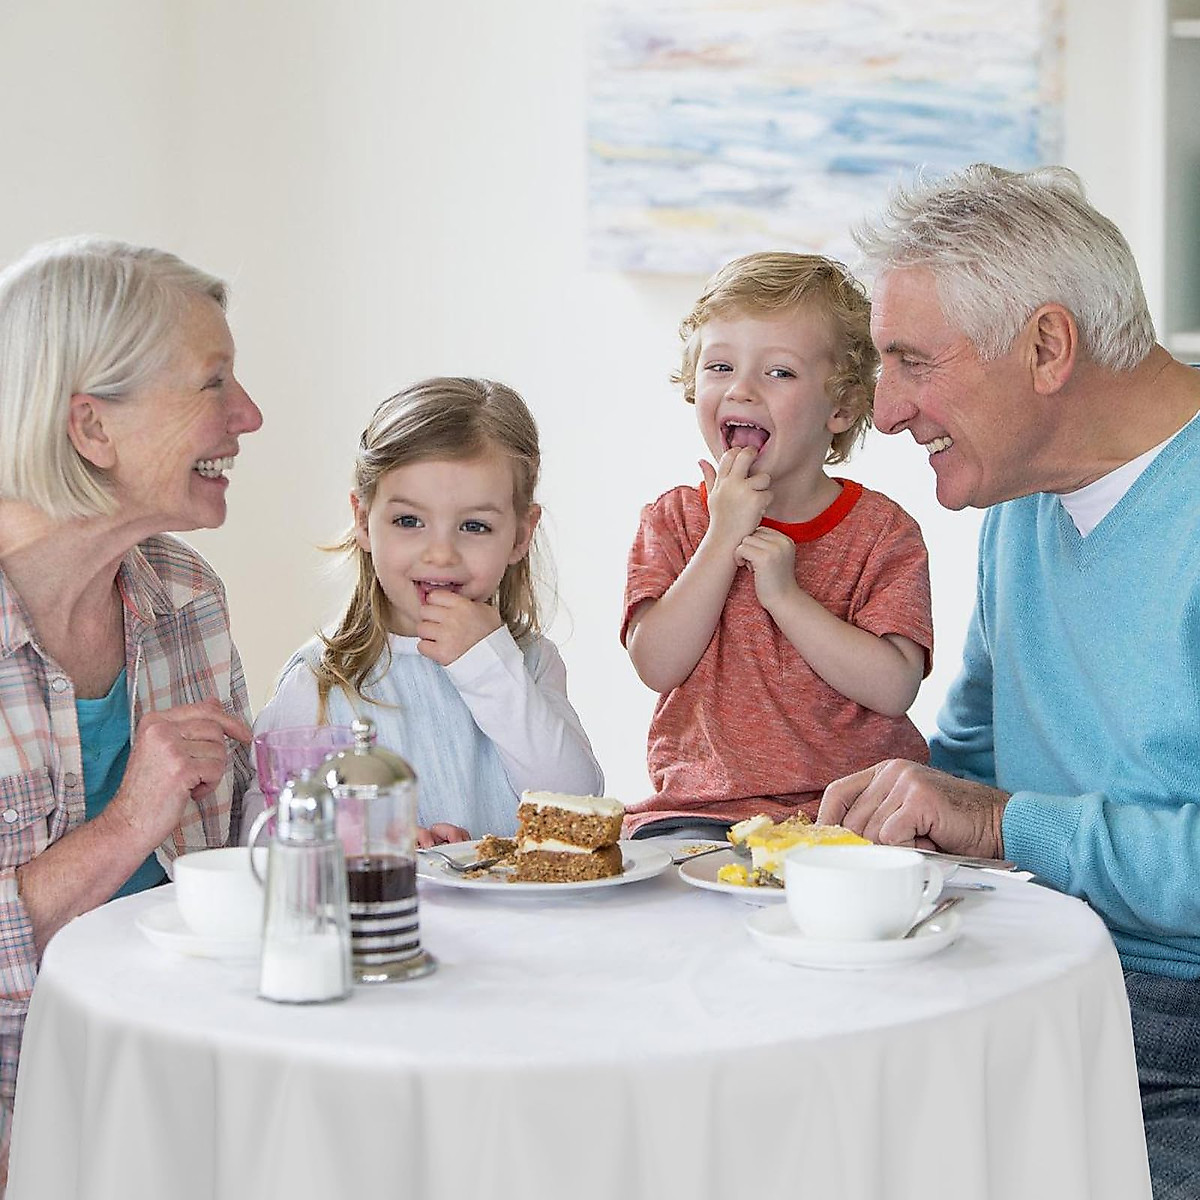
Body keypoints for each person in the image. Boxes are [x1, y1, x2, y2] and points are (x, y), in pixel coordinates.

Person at [817, 164, 1200, 1199]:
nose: (885, 411)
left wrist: (1000, 826)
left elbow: (991, 811)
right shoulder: (1025, 503)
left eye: (909, 363)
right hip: (1036, 977)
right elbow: (970, 764)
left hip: (1177, 1036)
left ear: (1046, 347)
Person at [0, 237, 261, 1177]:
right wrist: (125, 825)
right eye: (212, 383)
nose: (250, 415)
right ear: (92, 428)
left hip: (181, 1094)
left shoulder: (185, 595)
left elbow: (237, 856)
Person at [621, 251, 934, 840]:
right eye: (719, 367)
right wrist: (721, 538)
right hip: (703, 810)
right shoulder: (674, 520)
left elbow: (894, 688)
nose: (741, 389)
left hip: (854, 811)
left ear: (839, 408)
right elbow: (656, 663)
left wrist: (786, 596)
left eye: (779, 372)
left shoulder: (883, 533)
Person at [250, 377, 603, 843]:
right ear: (363, 520)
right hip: (377, 912)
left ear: (520, 535)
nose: (440, 553)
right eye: (409, 521)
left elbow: (579, 804)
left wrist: (488, 665)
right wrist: (368, 841)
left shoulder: (528, 663)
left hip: (515, 915)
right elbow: (262, 837)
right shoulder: (320, 681)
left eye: (474, 526)